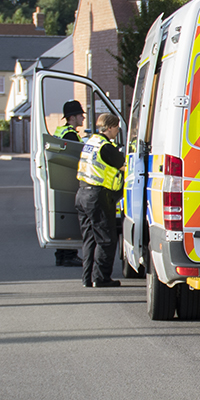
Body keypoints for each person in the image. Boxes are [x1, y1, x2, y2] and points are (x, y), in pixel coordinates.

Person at [76, 112, 124, 288]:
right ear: (110, 127)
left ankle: (87, 278)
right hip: (97, 197)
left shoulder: (90, 143)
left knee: (89, 239)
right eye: (117, 128)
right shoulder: (106, 147)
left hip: (82, 195)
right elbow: (124, 165)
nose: (117, 131)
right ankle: (101, 278)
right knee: (106, 239)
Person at [54, 100, 86, 267]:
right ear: (72, 117)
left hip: (61, 178)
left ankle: (61, 254)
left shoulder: (61, 131)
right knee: (71, 217)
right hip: (70, 179)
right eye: (81, 115)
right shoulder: (70, 135)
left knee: (63, 216)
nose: (83, 117)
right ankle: (68, 255)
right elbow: (77, 157)